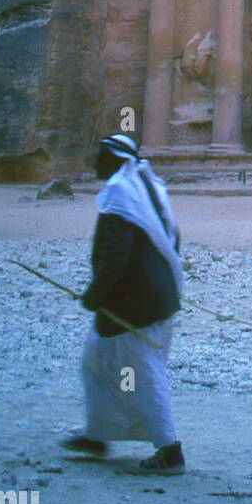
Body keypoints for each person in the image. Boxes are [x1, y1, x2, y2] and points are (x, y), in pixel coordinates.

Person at [61, 133, 185, 474]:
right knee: (96, 361)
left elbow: (116, 254)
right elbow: (175, 238)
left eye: (99, 156)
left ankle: (170, 452)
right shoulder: (143, 187)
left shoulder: (120, 191)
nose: (93, 163)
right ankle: (97, 435)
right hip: (147, 296)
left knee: (140, 373)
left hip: (135, 302)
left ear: (115, 158)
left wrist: (95, 293)